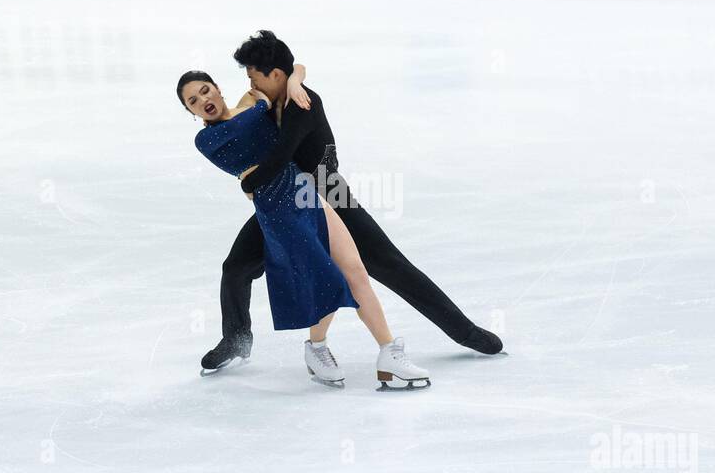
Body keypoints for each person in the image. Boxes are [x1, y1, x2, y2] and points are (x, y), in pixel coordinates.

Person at [200, 30, 504, 374]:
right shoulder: (270, 100)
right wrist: (295, 76)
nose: (251, 84)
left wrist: (250, 180)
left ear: (274, 75)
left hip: (327, 192)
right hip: (288, 201)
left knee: (389, 264)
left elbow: (282, 156)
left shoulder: (303, 103)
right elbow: (293, 69)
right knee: (236, 266)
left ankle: (465, 331)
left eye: (254, 76)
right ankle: (236, 339)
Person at [179, 71, 432, 390]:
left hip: (304, 189)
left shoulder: (250, 102)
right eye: (193, 101)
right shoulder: (207, 139)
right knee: (328, 280)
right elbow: (244, 123)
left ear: (217, 88)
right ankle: (312, 347)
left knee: (354, 271)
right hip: (278, 207)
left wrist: (293, 84)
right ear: (191, 112)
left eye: (205, 91)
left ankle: (385, 354)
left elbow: (291, 69)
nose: (203, 100)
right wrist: (262, 103)